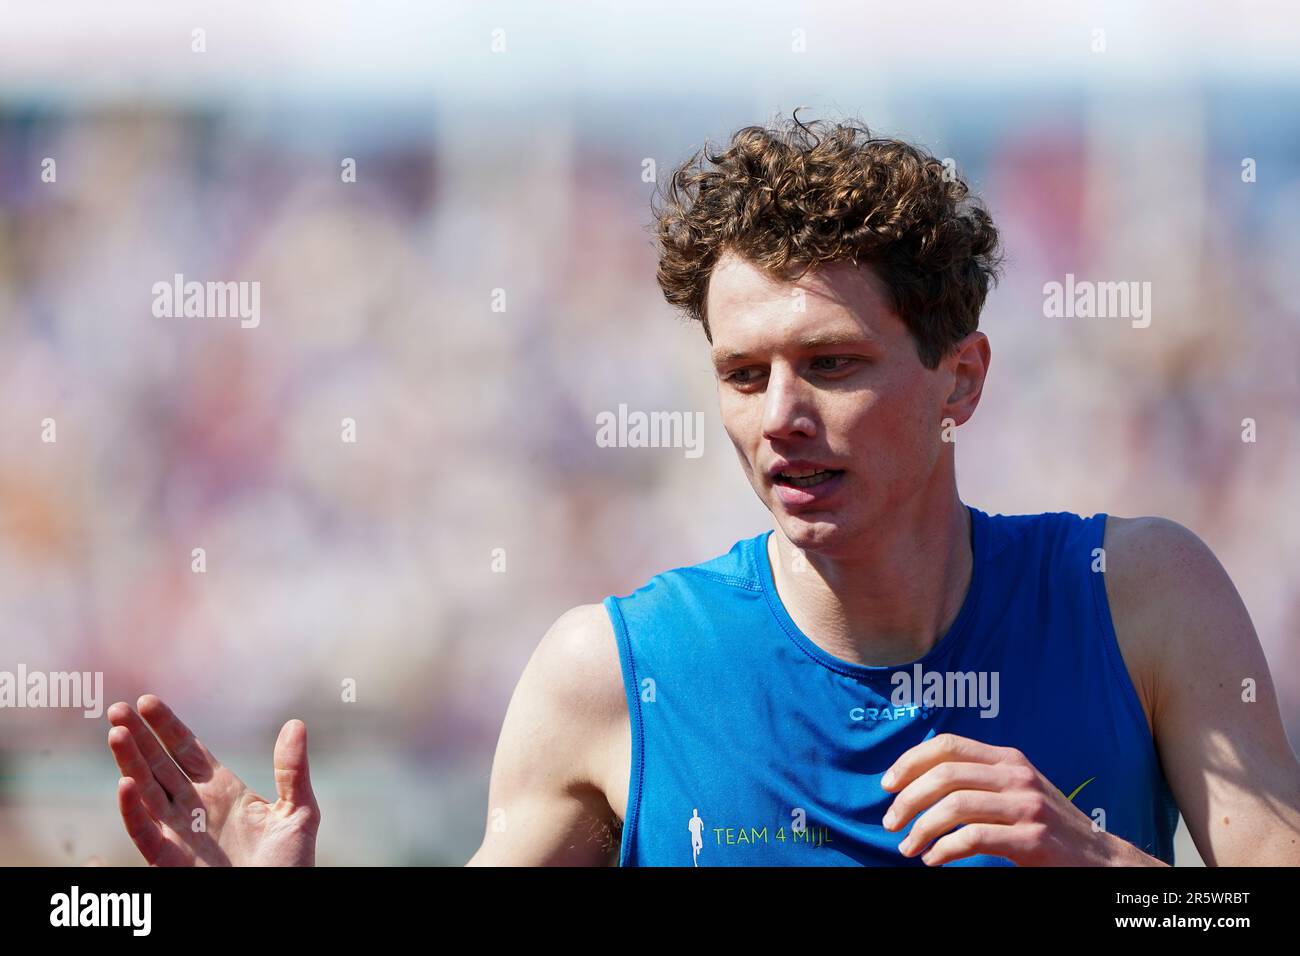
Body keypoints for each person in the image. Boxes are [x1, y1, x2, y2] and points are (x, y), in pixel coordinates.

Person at [106, 114, 1300, 867]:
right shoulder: (611, 672)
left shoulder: (1138, 594)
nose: (778, 413)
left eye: (830, 363)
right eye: (742, 372)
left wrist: (1094, 863)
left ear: (960, 381)